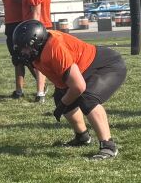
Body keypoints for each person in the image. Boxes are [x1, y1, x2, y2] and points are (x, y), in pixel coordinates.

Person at [8, 18, 125, 161]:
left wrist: (63, 104)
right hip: (82, 70)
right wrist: (61, 101)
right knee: (60, 95)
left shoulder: (54, 48)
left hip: (107, 65)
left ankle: (108, 145)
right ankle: (82, 136)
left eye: (24, 47)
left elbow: (78, 86)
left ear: (36, 42)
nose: (22, 51)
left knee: (87, 98)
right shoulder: (39, 49)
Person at [15, 0, 52, 102]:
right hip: (44, 26)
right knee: (40, 62)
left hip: (36, 29)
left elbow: (36, 12)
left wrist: (32, 31)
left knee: (38, 62)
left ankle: (40, 93)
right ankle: (42, 91)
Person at [0, 0, 29, 99]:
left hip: (21, 24)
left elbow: (21, 1)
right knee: (17, 59)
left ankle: (42, 87)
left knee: (30, 59)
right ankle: (19, 90)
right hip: (10, 25)